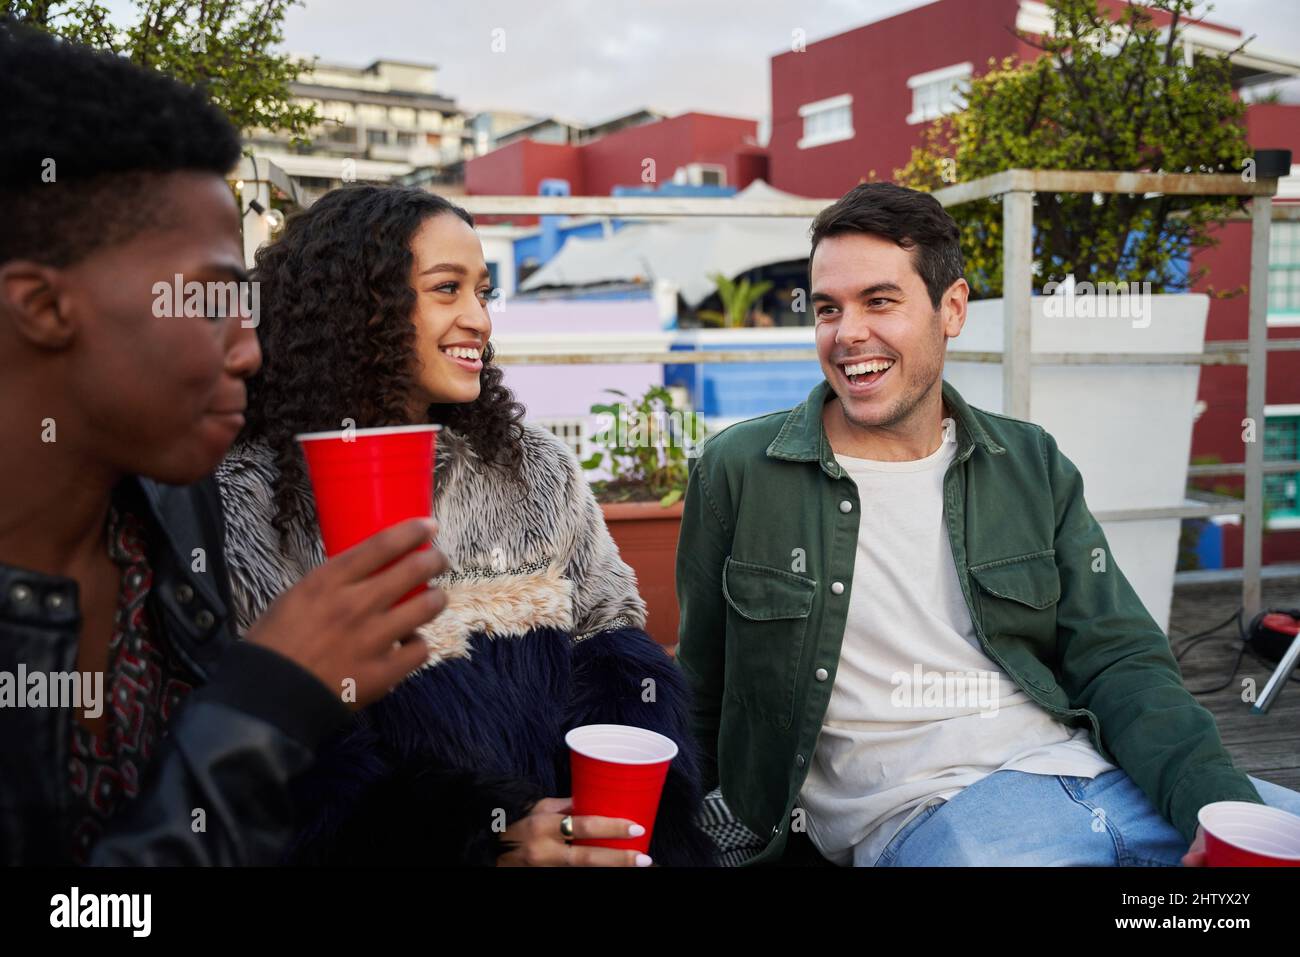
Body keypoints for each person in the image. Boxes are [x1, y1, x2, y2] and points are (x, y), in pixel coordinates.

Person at [675, 181, 1300, 867]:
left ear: (952, 308)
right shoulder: (742, 470)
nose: (847, 332)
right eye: (829, 308)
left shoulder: (1029, 461)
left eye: (879, 301)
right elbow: (701, 686)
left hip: (1100, 777)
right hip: (936, 819)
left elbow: (1120, 658)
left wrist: (1214, 803)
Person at [0, 22, 450, 865]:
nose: (250, 349)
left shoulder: (173, 508)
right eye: (208, 299)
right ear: (44, 307)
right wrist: (263, 705)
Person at [214, 184, 713, 866]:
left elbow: (612, 643)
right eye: (446, 289)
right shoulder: (250, 496)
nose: (478, 318)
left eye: (483, 292)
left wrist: (605, 823)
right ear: (357, 305)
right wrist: (488, 837)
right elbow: (289, 765)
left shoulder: (537, 467)